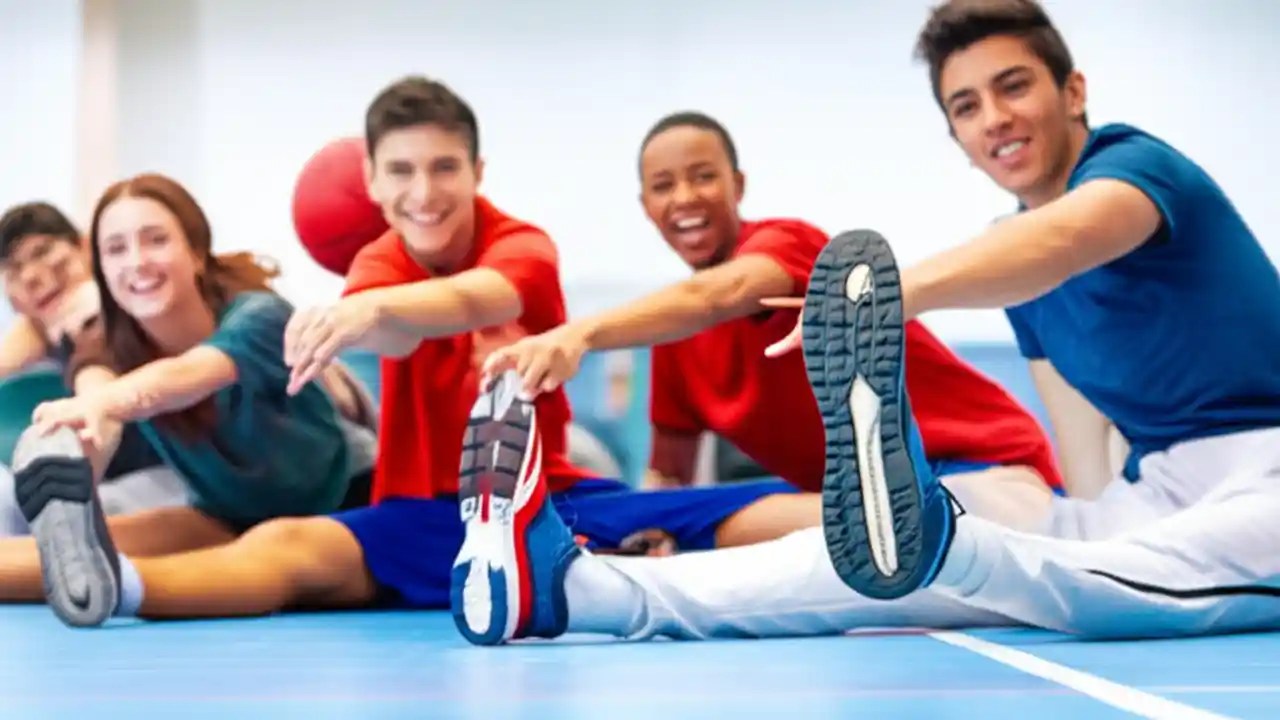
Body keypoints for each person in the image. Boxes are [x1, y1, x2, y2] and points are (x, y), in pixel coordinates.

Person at [451, 0, 1280, 645]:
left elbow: (1062, 240)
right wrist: (1079, 520)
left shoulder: (1137, 170)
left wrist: (881, 294)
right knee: (872, 558)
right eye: (966, 104)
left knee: (1096, 576)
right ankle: (577, 594)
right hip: (1154, 486)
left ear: (1073, 92)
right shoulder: (1012, 265)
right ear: (955, 134)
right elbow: (1086, 453)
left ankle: (941, 546)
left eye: (1014, 86)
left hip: (1267, 478)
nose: (993, 116)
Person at [16, 76, 803, 630]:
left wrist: (371, 312)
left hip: (549, 496)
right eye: (401, 170)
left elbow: (479, 298)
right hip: (420, 510)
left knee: (715, 515)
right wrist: (368, 316)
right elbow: (393, 330)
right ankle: (117, 585)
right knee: (287, 551)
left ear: (476, 171)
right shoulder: (377, 267)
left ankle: (876, 520)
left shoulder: (520, 245)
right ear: (370, 179)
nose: (423, 190)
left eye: (442, 167)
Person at [480, 111, 1062, 529]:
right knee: (665, 513)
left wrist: (578, 333)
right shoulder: (675, 344)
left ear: (738, 186)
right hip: (852, 500)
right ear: (646, 207)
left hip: (987, 470)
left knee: (787, 528)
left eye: (703, 177)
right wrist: (650, 525)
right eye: (663, 186)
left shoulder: (788, 245)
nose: (684, 197)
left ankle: (899, 524)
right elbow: (670, 480)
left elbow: (724, 292)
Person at [5, 172, 375, 627]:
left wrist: (102, 405)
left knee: (265, 552)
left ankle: (121, 585)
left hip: (343, 505)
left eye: (155, 240)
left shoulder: (259, 315)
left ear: (196, 253)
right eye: (117, 250)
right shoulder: (111, 349)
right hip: (226, 515)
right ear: (102, 269)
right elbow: (96, 387)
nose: (137, 262)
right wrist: (85, 443)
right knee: (52, 555)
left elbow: (184, 376)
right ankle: (94, 568)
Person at [0, 202, 184, 533]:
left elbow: (97, 370)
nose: (31, 276)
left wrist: (94, 410)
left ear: (84, 248)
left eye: (43, 252)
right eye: (13, 271)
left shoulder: (112, 307)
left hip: (177, 477)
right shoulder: (42, 329)